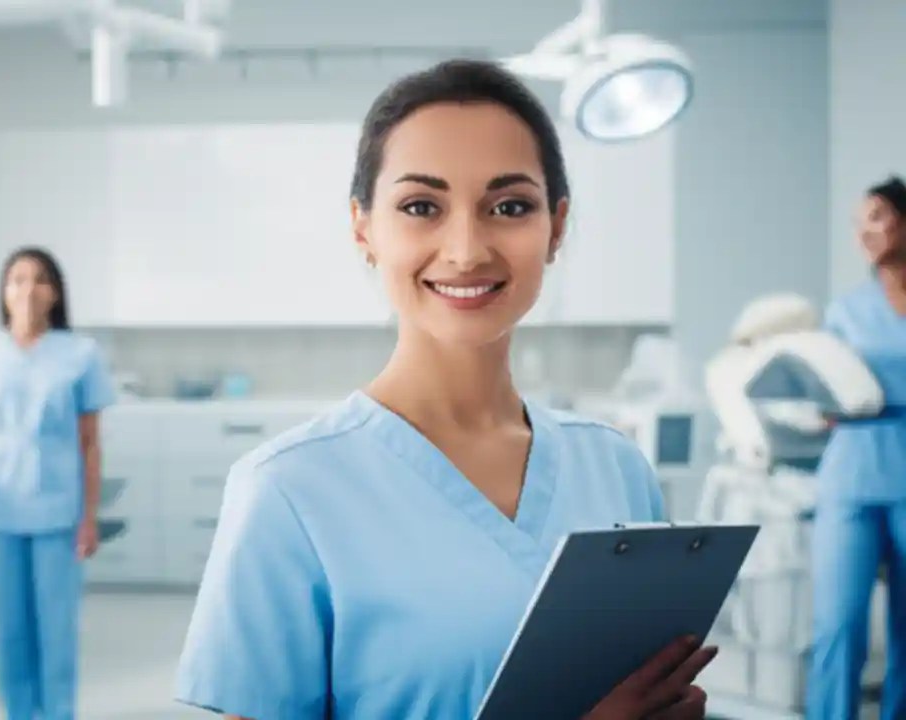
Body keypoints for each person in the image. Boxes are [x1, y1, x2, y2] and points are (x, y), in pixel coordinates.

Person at [173, 60, 716, 720]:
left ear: (557, 227)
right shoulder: (287, 491)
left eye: (510, 206)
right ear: (363, 227)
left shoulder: (616, 467)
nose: (465, 249)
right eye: (421, 207)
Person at [0, 246, 115, 720]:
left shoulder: (80, 354)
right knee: (9, 632)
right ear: (4, 291)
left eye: (39, 279)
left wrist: (89, 519)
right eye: (17, 278)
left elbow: (90, 444)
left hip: (58, 514)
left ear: (55, 293)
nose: (27, 288)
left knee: (55, 632)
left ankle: (57, 714)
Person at [807, 176, 906, 720]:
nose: (863, 232)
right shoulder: (845, 311)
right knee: (838, 623)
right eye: (857, 224)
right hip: (852, 472)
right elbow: (826, 390)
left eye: (876, 216)